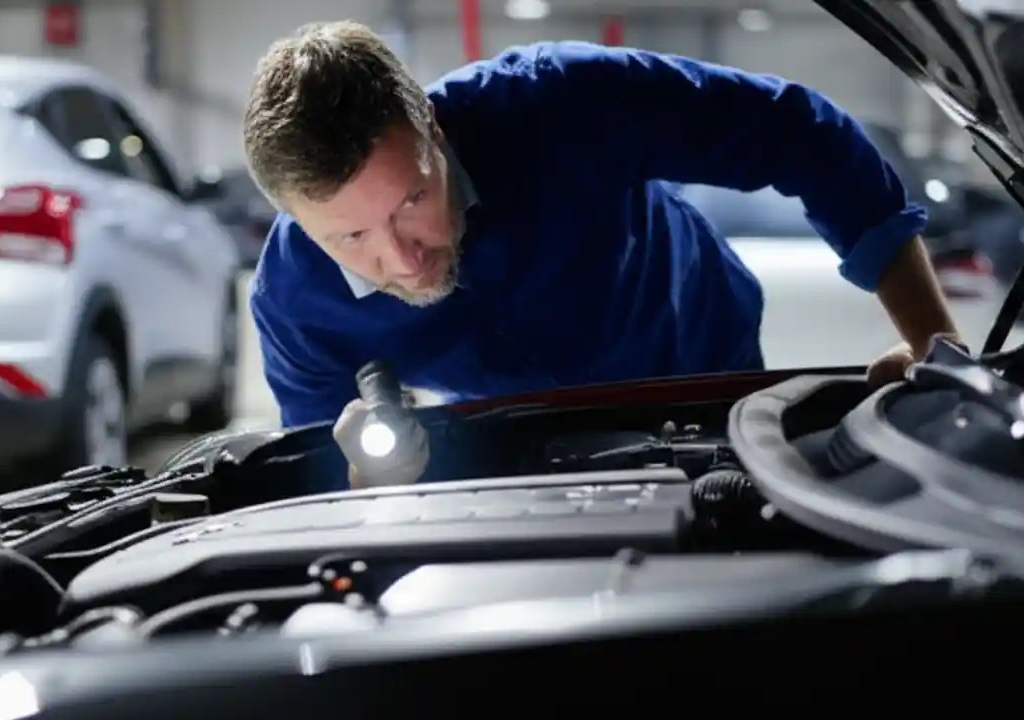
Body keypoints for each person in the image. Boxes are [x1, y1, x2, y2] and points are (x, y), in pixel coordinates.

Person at [241, 21, 962, 483]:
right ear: (292, 219)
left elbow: (804, 133)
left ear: (433, 128)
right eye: (350, 238)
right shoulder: (292, 300)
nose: (403, 261)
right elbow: (322, 475)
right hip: (521, 427)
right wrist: (364, 476)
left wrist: (931, 338)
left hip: (701, 355)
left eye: (409, 202)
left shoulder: (561, 104)